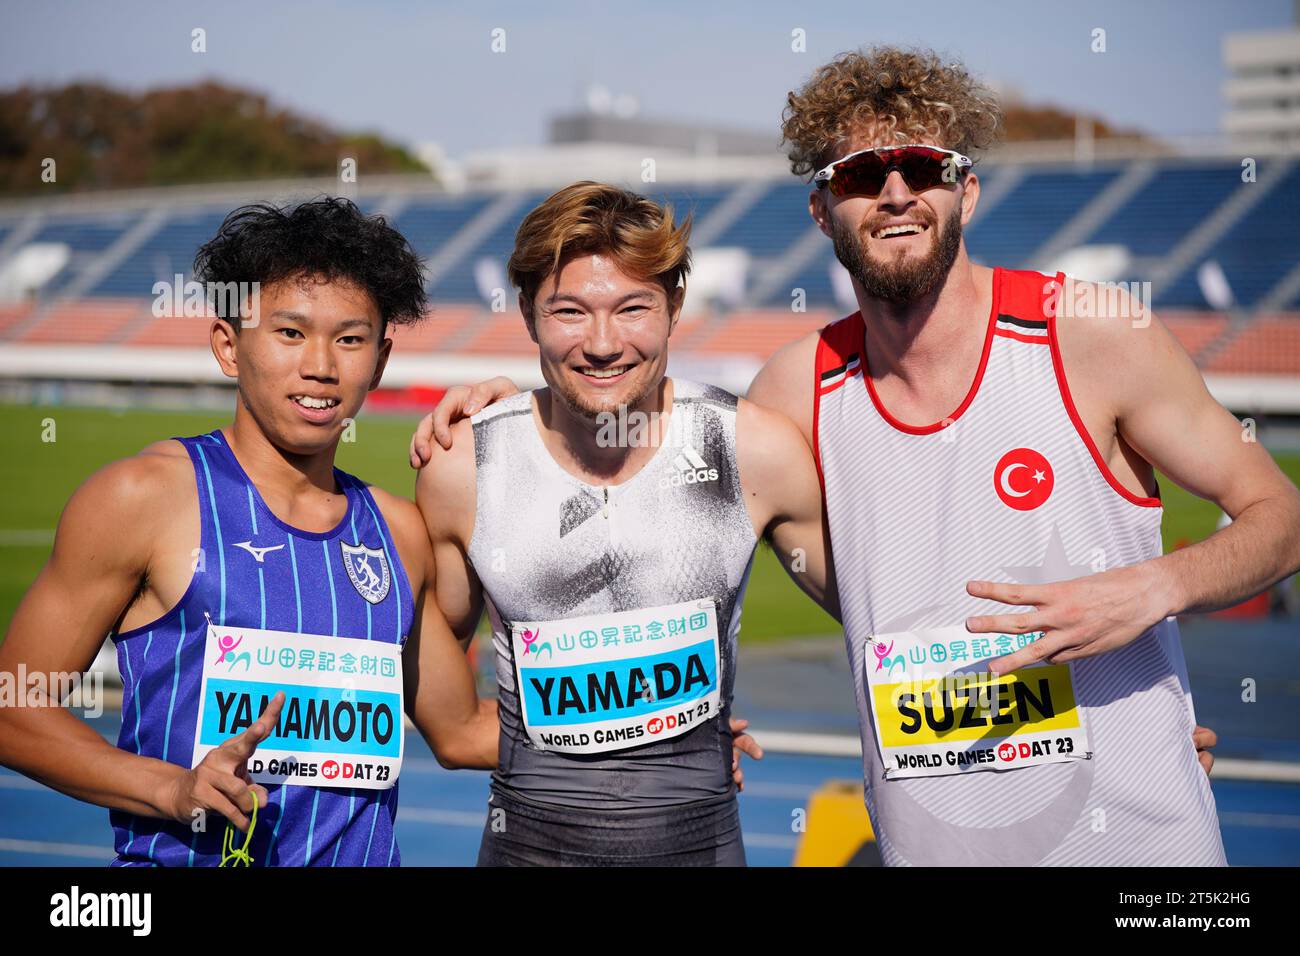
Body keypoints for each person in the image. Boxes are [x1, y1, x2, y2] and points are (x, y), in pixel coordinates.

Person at [411, 48, 1292, 866]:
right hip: (930, 846)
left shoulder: (1094, 334)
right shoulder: (794, 394)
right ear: (822, 207)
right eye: (865, 174)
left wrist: (1152, 589)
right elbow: (868, 590)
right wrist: (515, 408)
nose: (898, 192)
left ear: (969, 192)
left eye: (927, 168)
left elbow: (1280, 517)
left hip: (1136, 845)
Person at [0, 198, 498, 866]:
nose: (321, 365)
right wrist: (172, 788)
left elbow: (463, 731)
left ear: (379, 362)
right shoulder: (142, 498)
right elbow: (14, 708)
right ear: (228, 347)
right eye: (290, 333)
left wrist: (673, 695)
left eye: (349, 339)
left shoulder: (398, 532)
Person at [414, 182, 825, 866]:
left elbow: (882, 609)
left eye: (633, 308)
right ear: (526, 314)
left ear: (675, 309)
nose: (603, 344)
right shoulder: (463, 469)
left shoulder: (755, 450)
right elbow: (453, 731)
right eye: (569, 311)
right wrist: (637, 740)